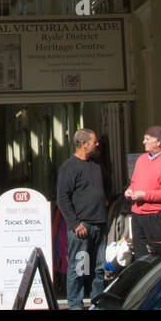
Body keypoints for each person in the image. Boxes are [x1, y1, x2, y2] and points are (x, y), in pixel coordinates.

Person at [56, 128, 107, 310]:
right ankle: (75, 305)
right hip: (82, 227)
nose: (97, 144)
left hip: (99, 224)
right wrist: (75, 223)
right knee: (79, 268)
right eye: (94, 141)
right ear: (83, 144)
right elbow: (62, 198)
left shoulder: (95, 165)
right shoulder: (69, 167)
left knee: (98, 269)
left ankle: (97, 303)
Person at [125, 126, 161, 257]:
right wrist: (129, 191)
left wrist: (145, 195)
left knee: (158, 255)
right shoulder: (141, 159)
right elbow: (134, 183)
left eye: (147, 139)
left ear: (158, 142)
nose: (143, 142)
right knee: (140, 255)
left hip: (156, 215)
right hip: (137, 215)